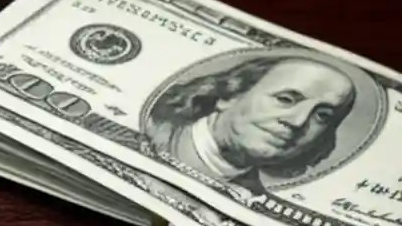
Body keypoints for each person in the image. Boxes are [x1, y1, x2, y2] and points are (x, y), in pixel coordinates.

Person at [145, 55, 357, 193]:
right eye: (286, 99)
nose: (298, 121)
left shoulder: (253, 196)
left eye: (322, 116)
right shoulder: (150, 129)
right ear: (230, 95)